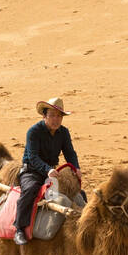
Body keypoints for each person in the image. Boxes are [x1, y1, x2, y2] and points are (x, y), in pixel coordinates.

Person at [15, 97, 81, 245]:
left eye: (59, 116)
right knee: (30, 190)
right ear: (44, 116)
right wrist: (47, 169)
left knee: (77, 192)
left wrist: (76, 168)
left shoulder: (63, 132)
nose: (56, 120)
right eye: (52, 115)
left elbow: (70, 152)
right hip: (32, 171)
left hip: (52, 173)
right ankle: (19, 228)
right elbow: (32, 157)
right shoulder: (33, 132)